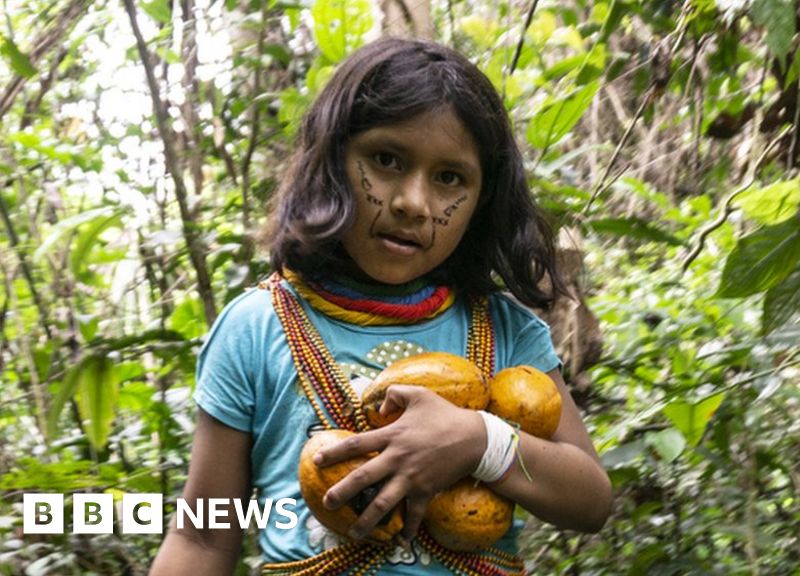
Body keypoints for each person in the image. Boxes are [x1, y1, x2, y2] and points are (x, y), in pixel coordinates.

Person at [150, 37, 612, 575]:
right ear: (332, 160)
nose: (412, 202)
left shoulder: (506, 332)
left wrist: (480, 442)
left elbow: (590, 501)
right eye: (387, 160)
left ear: (481, 199)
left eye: (449, 178)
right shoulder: (256, 328)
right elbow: (202, 536)